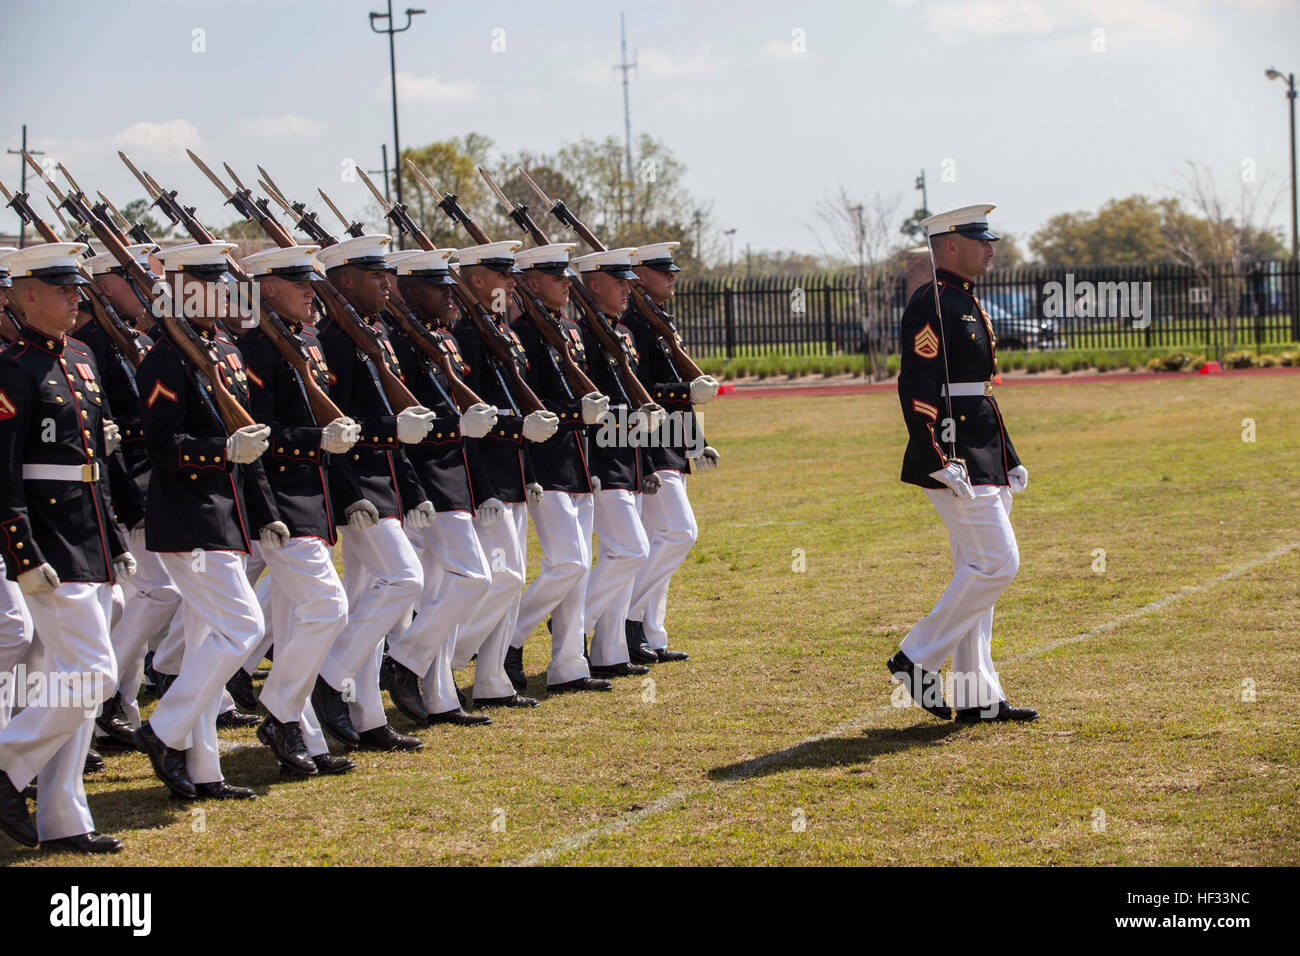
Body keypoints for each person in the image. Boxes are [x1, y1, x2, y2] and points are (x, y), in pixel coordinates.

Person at [131, 241, 282, 800]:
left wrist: (265, 513)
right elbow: (162, 446)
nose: (223, 292)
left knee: (204, 644)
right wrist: (221, 451)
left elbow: (250, 441)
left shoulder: (224, 349)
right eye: (210, 283)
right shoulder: (164, 357)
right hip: (190, 518)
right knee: (243, 627)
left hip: (226, 517)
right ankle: (163, 729)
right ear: (182, 290)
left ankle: (204, 769)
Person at [0, 241, 135, 852]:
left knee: (68, 682)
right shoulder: (11, 367)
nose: (76, 297)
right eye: (62, 289)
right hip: (50, 539)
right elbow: (4, 474)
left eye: (77, 287)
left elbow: (93, 462)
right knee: (94, 675)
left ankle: (64, 816)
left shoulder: (81, 357)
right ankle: (6, 764)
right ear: (26, 296)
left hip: (90, 533)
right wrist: (23, 555)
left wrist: (113, 533)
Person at [887, 204, 1038, 724]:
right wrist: (936, 456)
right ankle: (916, 657)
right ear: (949, 245)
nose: (991, 249)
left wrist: (1008, 456)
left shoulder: (965, 300)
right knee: (999, 563)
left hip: (980, 450)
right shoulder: (931, 302)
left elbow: (980, 393)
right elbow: (919, 387)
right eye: (982, 242)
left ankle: (977, 696)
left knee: (977, 570)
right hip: (951, 453)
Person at [238, 244, 360, 775]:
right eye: (297, 283)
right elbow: (259, 432)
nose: (311, 291)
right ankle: (278, 709)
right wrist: (317, 439)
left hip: (312, 492)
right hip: (281, 494)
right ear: (266, 289)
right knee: (330, 607)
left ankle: (304, 740)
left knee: (293, 624)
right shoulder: (257, 349)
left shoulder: (305, 339)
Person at [312, 234, 430, 751]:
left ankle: (366, 715)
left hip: (381, 478)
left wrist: (411, 487)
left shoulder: (371, 335)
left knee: (367, 597)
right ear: (343, 282)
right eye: (374, 275)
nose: (387, 283)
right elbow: (334, 427)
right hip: (357, 482)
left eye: (386, 273)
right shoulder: (332, 342)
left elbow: (389, 413)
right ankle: (328, 677)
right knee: (405, 580)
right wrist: (345, 495)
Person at [382, 248, 496, 725]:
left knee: (439, 589)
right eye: (438, 288)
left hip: (451, 474)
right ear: (407, 290)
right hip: (421, 477)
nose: (451, 296)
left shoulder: (433, 338)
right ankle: (402, 661)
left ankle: (440, 696)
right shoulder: (394, 342)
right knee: (473, 577)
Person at [448, 241, 559, 708]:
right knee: (504, 578)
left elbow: (517, 404)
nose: (511, 282)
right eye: (501, 274)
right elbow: (472, 417)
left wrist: (528, 470)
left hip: (512, 468)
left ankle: (492, 679)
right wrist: (485, 484)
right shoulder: (467, 336)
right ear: (476, 281)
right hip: (488, 472)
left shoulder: (500, 331)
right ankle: (437, 655)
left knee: (512, 580)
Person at [507, 243, 611, 694]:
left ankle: (569, 665)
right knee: (566, 561)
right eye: (556, 277)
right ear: (531, 284)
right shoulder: (523, 333)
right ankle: (509, 637)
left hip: (577, 458)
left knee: (579, 567)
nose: (567, 282)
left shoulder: (567, 329)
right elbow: (526, 399)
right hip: (544, 460)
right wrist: (575, 414)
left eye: (567, 275)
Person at [623, 241, 719, 663]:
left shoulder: (657, 320)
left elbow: (674, 387)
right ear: (639, 276)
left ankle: (650, 632)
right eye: (664, 272)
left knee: (662, 537)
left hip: (672, 441)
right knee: (679, 532)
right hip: (648, 441)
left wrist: (697, 444)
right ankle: (617, 616)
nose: (673, 278)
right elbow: (640, 389)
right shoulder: (632, 324)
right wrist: (686, 390)